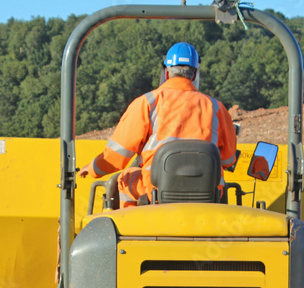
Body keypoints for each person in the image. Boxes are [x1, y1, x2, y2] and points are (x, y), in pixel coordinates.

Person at [77, 42, 237, 207]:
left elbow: (117, 156)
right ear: (194, 74)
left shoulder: (147, 103)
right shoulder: (217, 107)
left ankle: (133, 229)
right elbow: (228, 159)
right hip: (208, 193)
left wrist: (93, 169)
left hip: (156, 192)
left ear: (166, 73)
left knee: (124, 179)